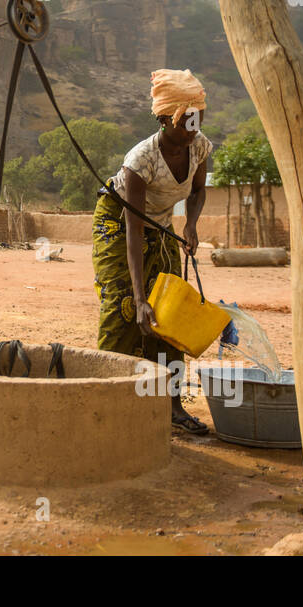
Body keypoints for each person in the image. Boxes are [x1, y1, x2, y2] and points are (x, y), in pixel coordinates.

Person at [92, 68, 213, 434]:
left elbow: (196, 191)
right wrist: (141, 298)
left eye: (198, 118)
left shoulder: (200, 146)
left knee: (170, 312)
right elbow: (133, 229)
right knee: (126, 306)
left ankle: (171, 406)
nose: (193, 128)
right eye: (185, 120)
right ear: (164, 119)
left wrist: (190, 224)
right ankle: (109, 403)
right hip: (119, 222)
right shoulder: (140, 160)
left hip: (161, 224)